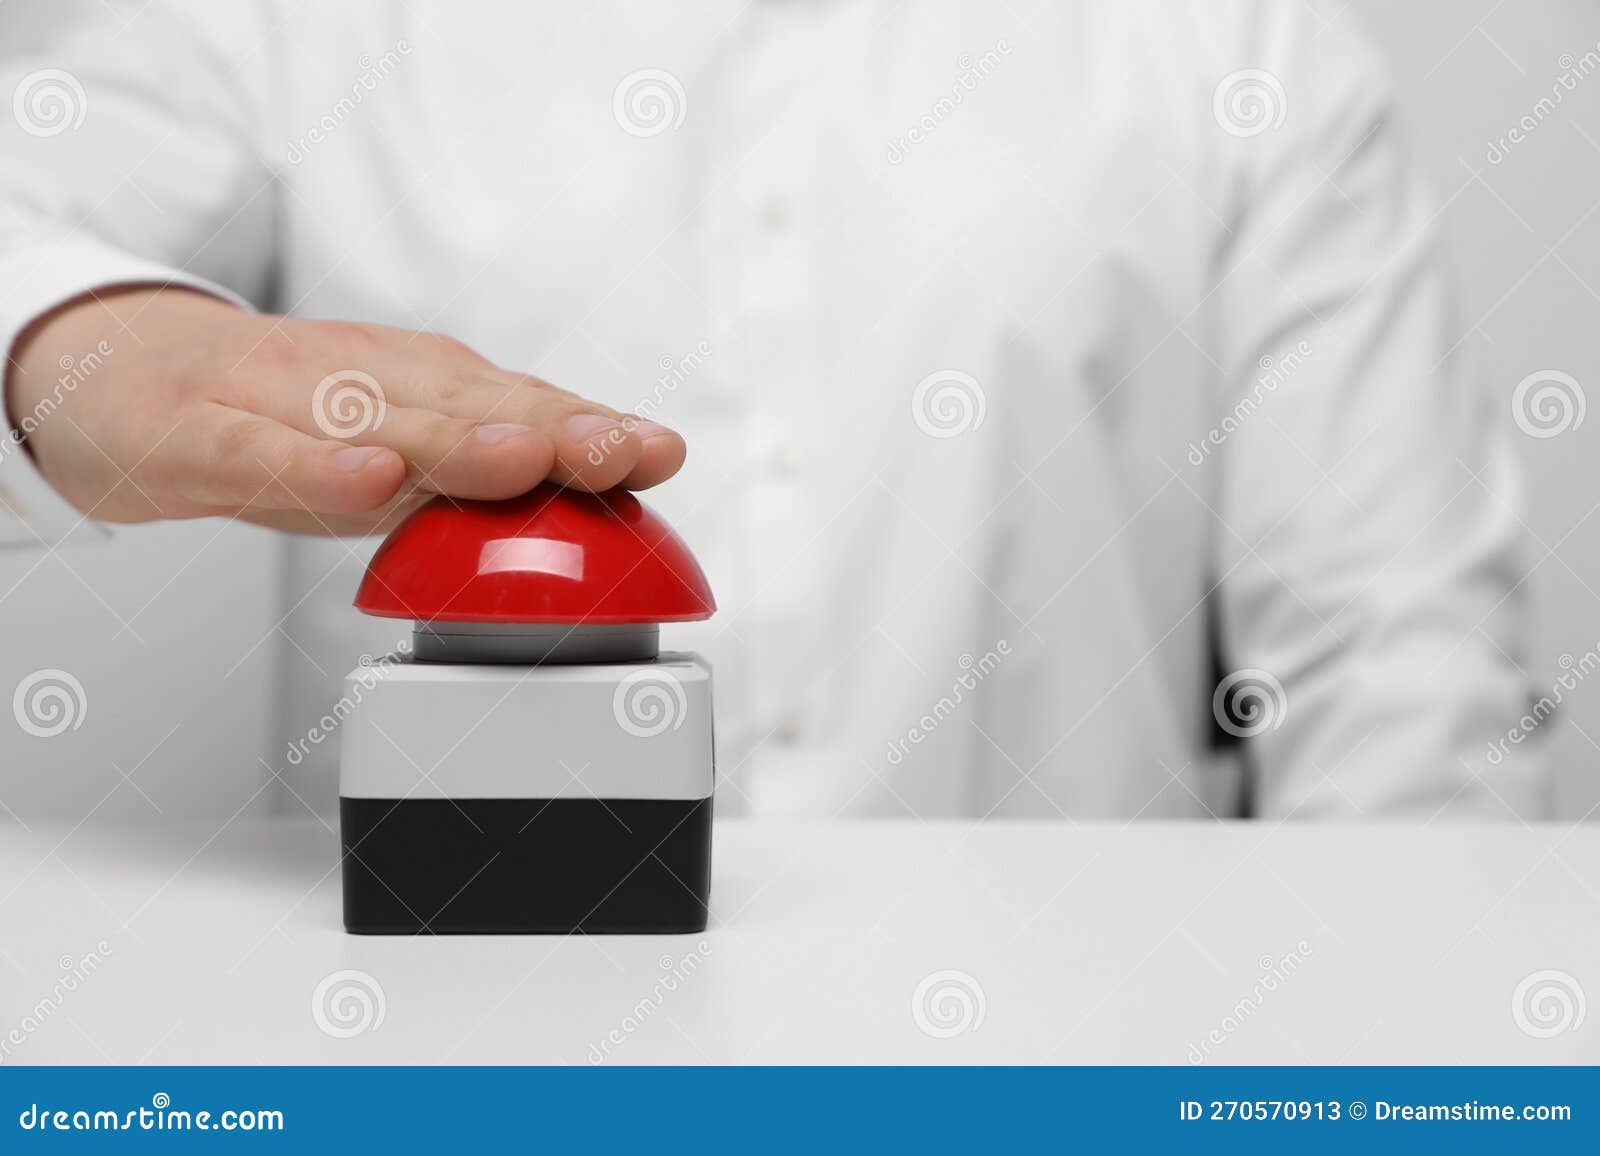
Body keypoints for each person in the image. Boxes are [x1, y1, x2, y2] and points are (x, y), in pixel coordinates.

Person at [0, 1, 1545, 819]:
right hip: (445, 1074)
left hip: (1064, 1066)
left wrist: (1398, 1072)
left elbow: (1395, 662)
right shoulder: (301, 21)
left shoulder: (1236, 39)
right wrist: (66, 335)